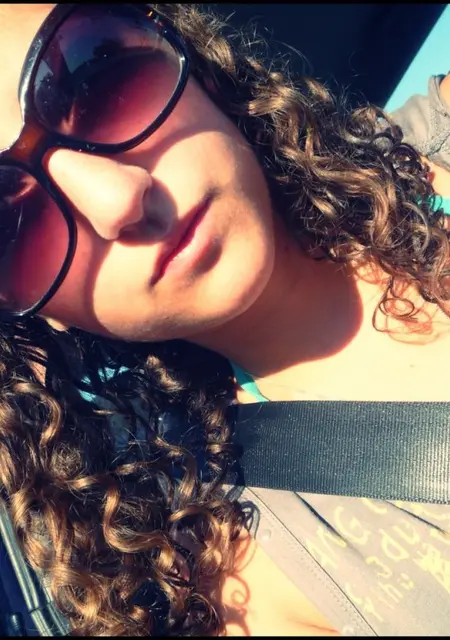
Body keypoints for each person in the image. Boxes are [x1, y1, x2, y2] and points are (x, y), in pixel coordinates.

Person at [0, 2, 449, 637]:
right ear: (35, 317)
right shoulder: (272, 591)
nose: (119, 199)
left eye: (96, 77)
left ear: (189, 59)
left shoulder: (438, 132)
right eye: (9, 226)